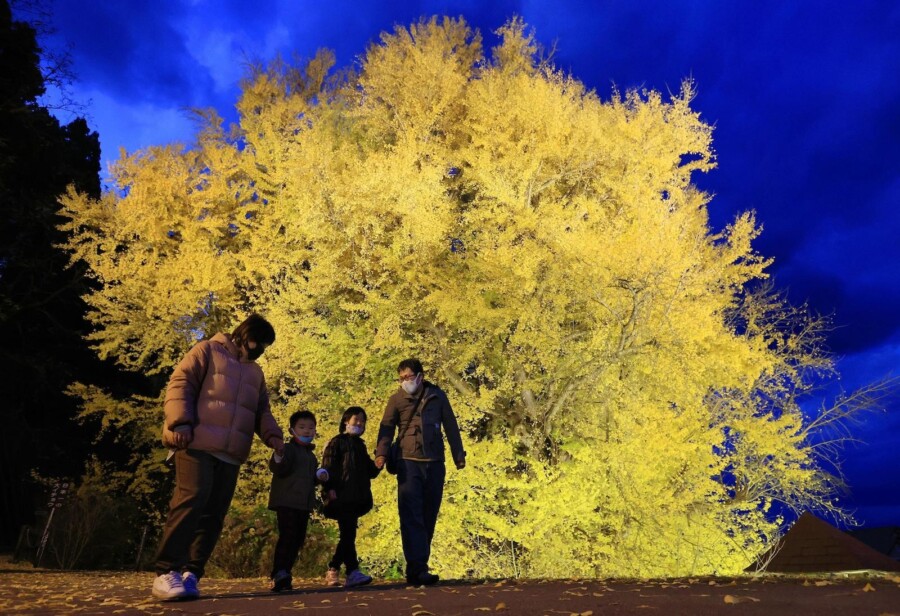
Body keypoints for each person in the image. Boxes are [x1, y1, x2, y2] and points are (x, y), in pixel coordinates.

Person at [151, 314, 283, 601]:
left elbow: (261, 411)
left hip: (230, 454)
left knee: (213, 515)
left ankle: (191, 574)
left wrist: (273, 437)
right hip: (195, 442)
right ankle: (166, 572)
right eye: (259, 341)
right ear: (245, 333)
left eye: (265, 345)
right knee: (190, 502)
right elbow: (180, 385)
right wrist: (180, 423)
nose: (261, 348)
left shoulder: (255, 373)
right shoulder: (207, 350)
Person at [374, 358, 466, 586]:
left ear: (420, 376)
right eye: (401, 378)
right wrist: (381, 453)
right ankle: (419, 567)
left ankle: (416, 566)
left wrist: (458, 454)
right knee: (411, 514)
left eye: (408, 377)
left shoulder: (437, 395)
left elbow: (451, 424)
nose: (405, 381)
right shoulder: (396, 399)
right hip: (408, 462)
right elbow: (386, 426)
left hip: (435, 462)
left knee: (428, 514)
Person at [319, 406, 381, 588]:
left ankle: (334, 567)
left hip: (356, 497)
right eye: (356, 420)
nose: (360, 423)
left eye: (362, 420)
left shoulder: (360, 446)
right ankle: (352, 571)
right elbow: (327, 466)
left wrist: (379, 461)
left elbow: (370, 471)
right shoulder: (336, 442)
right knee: (348, 534)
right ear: (346, 421)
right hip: (341, 495)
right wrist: (329, 488)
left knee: (348, 535)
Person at [269, 410, 323, 592]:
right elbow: (278, 468)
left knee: (297, 539)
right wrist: (279, 454)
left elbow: (311, 479)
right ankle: (279, 572)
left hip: (303, 504)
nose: (307, 431)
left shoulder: (311, 456)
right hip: (286, 501)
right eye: (302, 427)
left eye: (311, 427)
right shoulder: (288, 449)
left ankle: (285, 572)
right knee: (287, 536)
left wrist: (320, 477)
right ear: (292, 430)